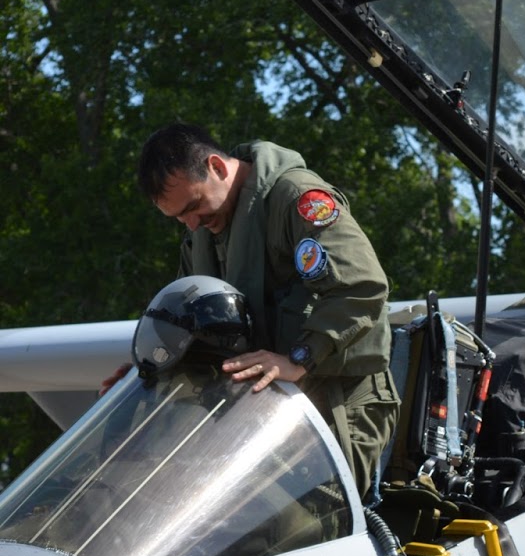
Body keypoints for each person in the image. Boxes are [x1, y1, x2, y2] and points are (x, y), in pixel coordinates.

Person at [135, 123, 396, 500]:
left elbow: (361, 286)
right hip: (270, 411)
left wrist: (299, 358)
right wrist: (145, 369)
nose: (191, 224)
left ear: (217, 167)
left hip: (338, 401)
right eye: (179, 218)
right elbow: (185, 319)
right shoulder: (203, 231)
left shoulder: (297, 198)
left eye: (193, 207)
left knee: (304, 523)